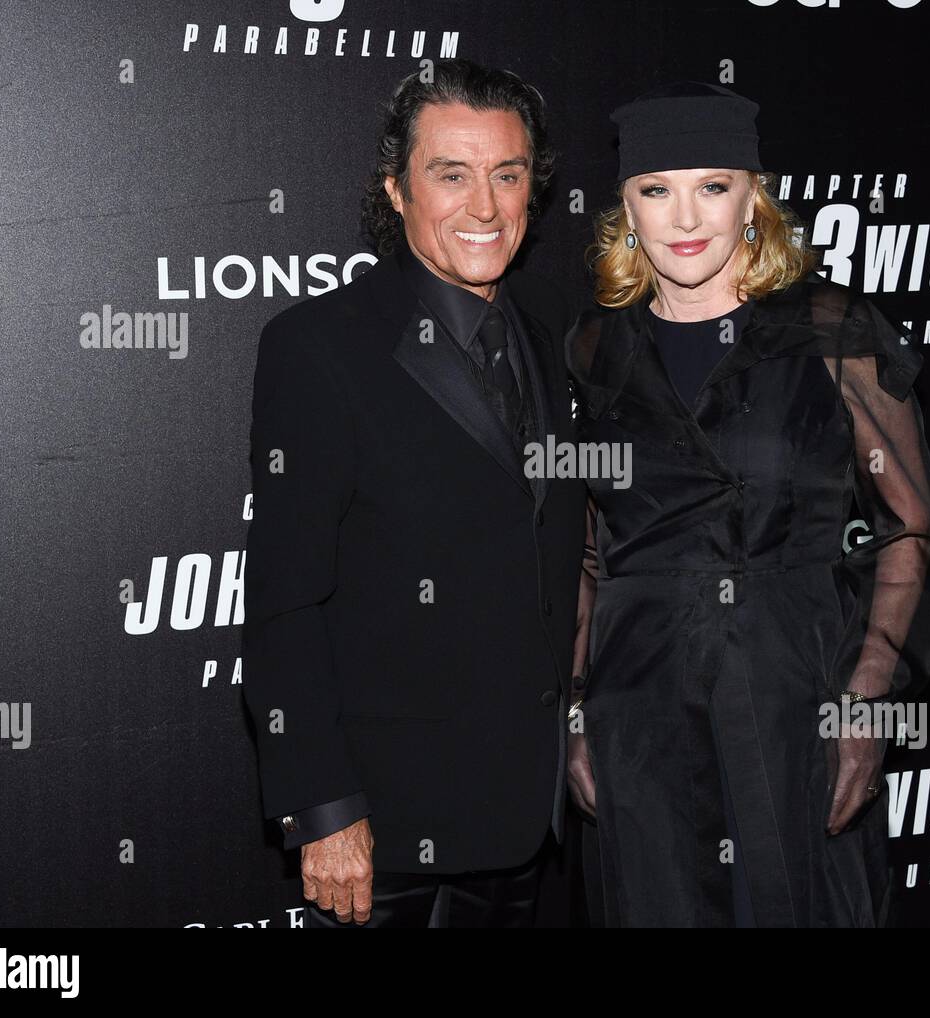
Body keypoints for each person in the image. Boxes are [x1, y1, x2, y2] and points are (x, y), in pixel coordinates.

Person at [564, 82, 930, 927]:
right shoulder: (598, 348)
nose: (684, 216)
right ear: (625, 209)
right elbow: (589, 554)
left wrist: (864, 700)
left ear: (754, 196)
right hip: (637, 705)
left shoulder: (829, 330)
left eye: (712, 185)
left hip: (790, 692)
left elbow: (915, 526)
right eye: (655, 190)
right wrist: (572, 711)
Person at [241, 59, 586, 928]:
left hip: (523, 826)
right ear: (396, 190)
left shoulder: (547, 347)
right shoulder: (317, 347)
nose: (484, 206)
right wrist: (324, 811)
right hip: (384, 839)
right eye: (451, 174)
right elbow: (284, 602)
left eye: (508, 175)